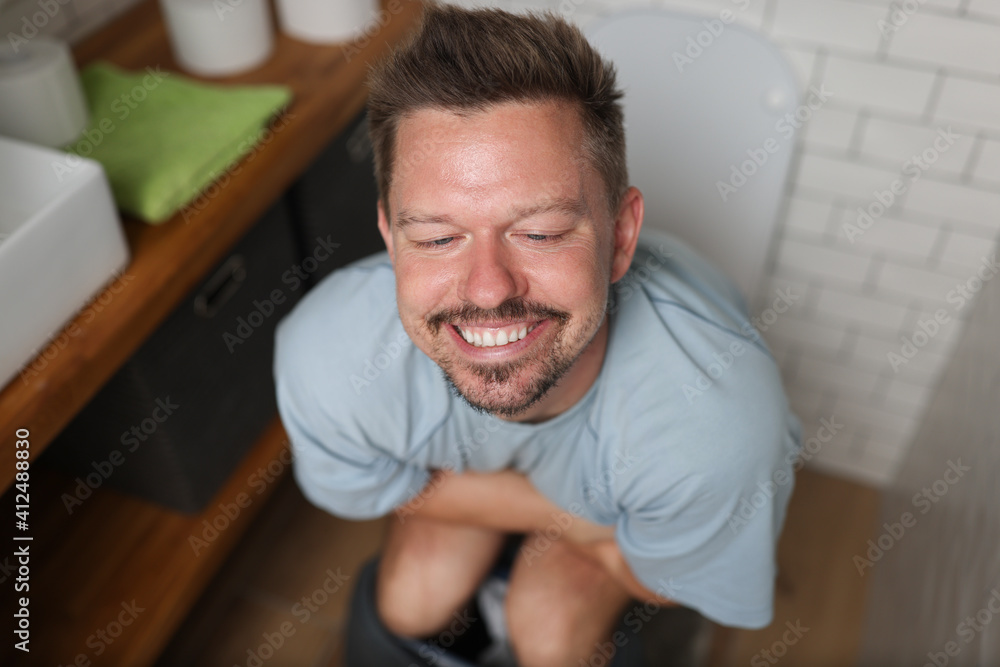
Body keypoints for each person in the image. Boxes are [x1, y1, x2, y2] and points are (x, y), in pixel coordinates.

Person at [273, 5, 802, 666]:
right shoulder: (329, 357)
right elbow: (360, 485)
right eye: (438, 237)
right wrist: (591, 527)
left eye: (542, 232)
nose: (489, 288)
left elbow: (668, 579)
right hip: (596, 499)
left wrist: (592, 548)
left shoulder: (713, 427)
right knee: (411, 598)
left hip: (629, 470)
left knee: (548, 627)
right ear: (390, 238)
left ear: (621, 237)